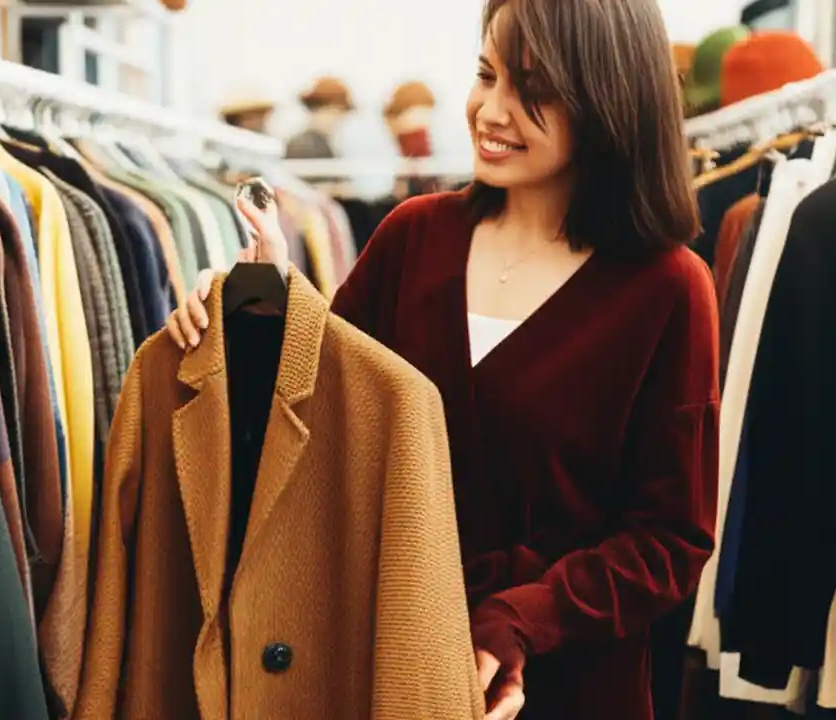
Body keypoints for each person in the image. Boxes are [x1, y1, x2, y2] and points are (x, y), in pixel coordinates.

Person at [166, 0, 718, 719]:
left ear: (607, 100)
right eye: (486, 75)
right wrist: (250, 310)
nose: (490, 110)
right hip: (389, 655)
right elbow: (317, 422)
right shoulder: (414, 238)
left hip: (571, 685)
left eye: (532, 89)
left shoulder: (667, 288)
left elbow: (670, 539)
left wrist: (524, 617)